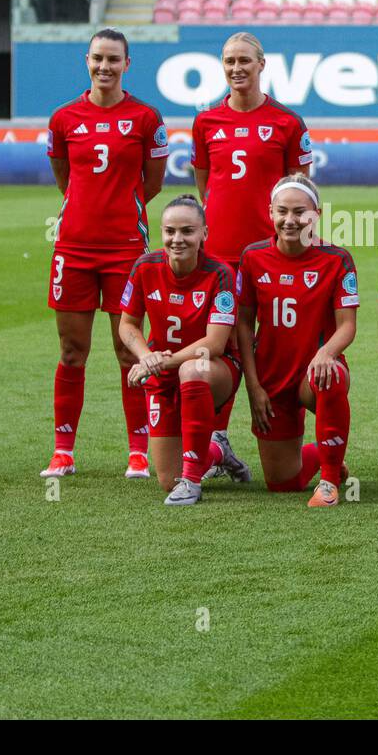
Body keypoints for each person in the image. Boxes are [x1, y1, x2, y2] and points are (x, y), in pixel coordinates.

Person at [40, 28, 169, 479]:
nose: (104, 67)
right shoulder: (63, 119)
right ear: (87, 60)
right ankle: (63, 451)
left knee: (128, 350)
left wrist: (118, 210)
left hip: (127, 251)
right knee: (73, 350)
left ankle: (137, 451)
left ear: (127, 64)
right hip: (73, 249)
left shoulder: (147, 119)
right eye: (97, 58)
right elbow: (64, 177)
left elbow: (152, 184)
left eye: (113, 59)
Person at [190, 31, 313, 469]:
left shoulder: (287, 122)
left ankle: (292, 427)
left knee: (274, 341)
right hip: (221, 255)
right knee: (221, 345)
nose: (236, 68)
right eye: (228, 61)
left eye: (244, 60)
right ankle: (218, 437)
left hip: (270, 255)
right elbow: (207, 186)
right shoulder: (206, 122)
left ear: (262, 65)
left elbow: (302, 192)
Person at [117, 195, 251, 505]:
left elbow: (214, 345)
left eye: (187, 231)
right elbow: (127, 325)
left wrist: (161, 362)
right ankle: (218, 452)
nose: (178, 239)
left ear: (204, 233)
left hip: (214, 368)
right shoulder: (144, 266)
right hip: (162, 372)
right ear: (161, 232)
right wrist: (144, 355)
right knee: (167, 480)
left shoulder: (220, 274)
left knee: (194, 368)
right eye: (170, 231)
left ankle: (192, 481)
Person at [236, 174, 358, 507]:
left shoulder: (337, 259)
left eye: (300, 212)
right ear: (270, 212)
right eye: (282, 211)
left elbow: (347, 326)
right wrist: (253, 386)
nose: (290, 220)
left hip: (313, 373)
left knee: (330, 375)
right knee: (282, 484)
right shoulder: (252, 257)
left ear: (316, 213)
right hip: (271, 377)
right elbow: (243, 325)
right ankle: (325, 450)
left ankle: (330, 483)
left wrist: (326, 352)